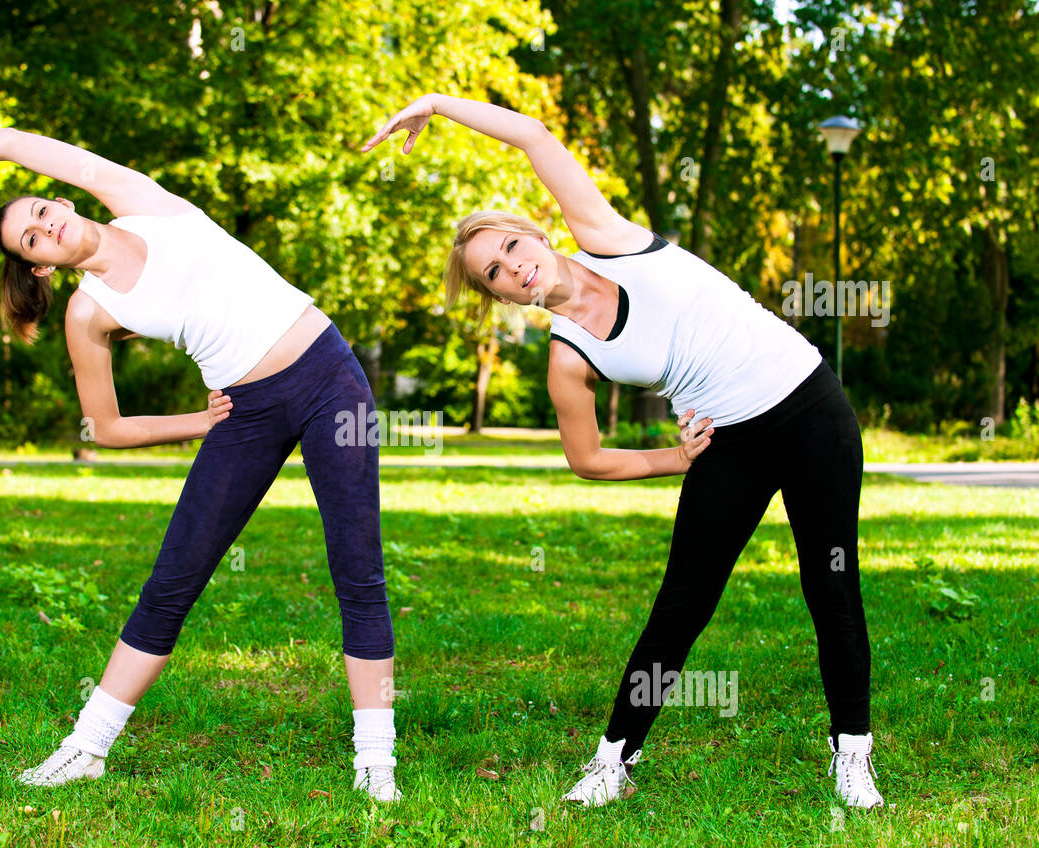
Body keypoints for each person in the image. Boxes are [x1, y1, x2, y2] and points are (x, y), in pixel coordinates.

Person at [0, 127, 403, 801]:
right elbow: (104, 427)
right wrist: (197, 423)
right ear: (41, 264)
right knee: (173, 579)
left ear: (62, 202)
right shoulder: (89, 312)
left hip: (328, 378)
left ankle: (375, 759)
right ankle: (86, 746)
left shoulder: (138, 199)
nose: (45, 225)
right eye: (31, 239)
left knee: (357, 568)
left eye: (41, 211)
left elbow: (14, 142)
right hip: (244, 412)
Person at [363, 94, 883, 809]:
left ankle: (852, 752)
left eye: (511, 247)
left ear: (537, 235)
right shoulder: (567, 359)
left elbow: (534, 135)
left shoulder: (607, 235)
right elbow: (589, 459)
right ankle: (613, 759)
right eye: (493, 273)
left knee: (831, 583)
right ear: (498, 297)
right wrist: (675, 459)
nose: (512, 268)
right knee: (682, 606)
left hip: (810, 407)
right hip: (727, 440)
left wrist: (433, 106)